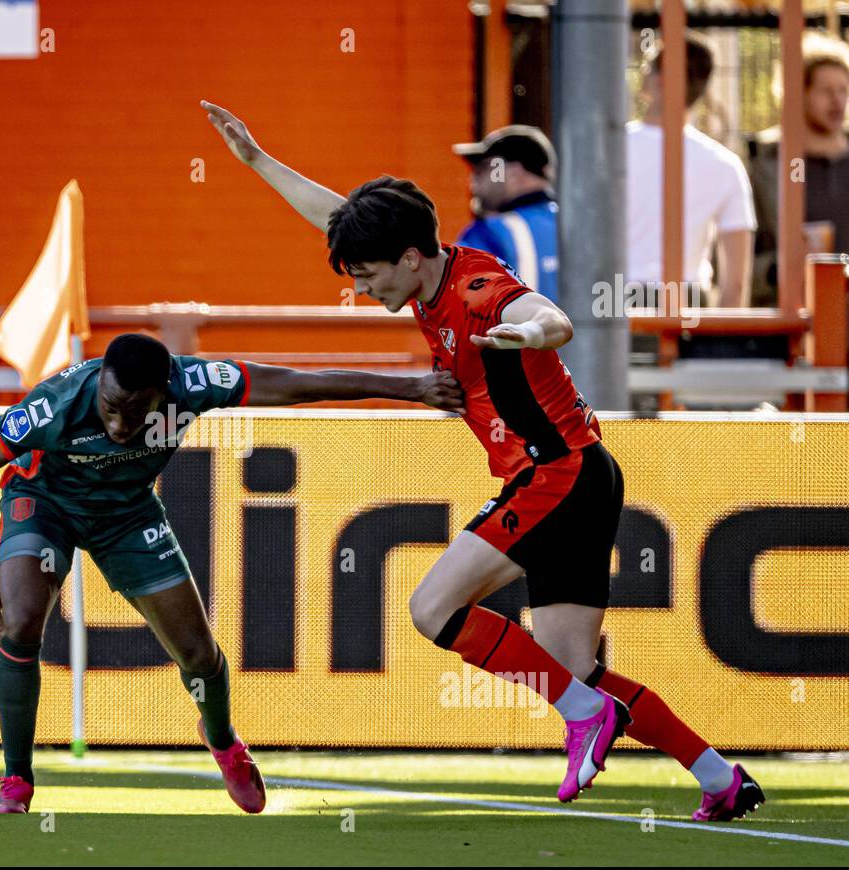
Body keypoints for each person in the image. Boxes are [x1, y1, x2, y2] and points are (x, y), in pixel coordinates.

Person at [201, 99, 765, 821]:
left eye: (369, 275)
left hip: (557, 473)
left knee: (432, 607)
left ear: (408, 257)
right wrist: (255, 160)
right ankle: (719, 777)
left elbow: (542, 314)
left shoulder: (476, 289)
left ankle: (584, 714)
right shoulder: (422, 275)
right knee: (574, 670)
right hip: (579, 474)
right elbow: (337, 213)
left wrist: (534, 334)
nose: (363, 289)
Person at [0, 333, 465, 814]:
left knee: (199, 655)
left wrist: (412, 389)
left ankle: (223, 741)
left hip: (128, 515)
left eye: (136, 412)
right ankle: (16, 782)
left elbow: (299, 384)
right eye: (111, 407)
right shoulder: (54, 405)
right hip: (44, 505)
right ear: (100, 386)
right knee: (22, 623)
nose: (120, 425)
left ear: (165, 393)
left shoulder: (195, 383)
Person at [627, 34, 756, 310]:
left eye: (649, 67)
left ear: (660, 80)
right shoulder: (725, 164)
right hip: (690, 304)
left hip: (614, 299)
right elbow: (736, 283)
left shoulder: (609, 152)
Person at [746, 32, 849, 306]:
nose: (838, 101)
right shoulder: (763, 160)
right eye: (827, 91)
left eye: (844, 90)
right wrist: (778, 268)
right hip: (791, 316)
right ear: (798, 93)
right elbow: (736, 258)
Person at [452, 125, 560, 302]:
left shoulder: (490, 232)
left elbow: (455, 302)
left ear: (514, 172)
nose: (472, 181)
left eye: (482, 169)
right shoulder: (586, 229)